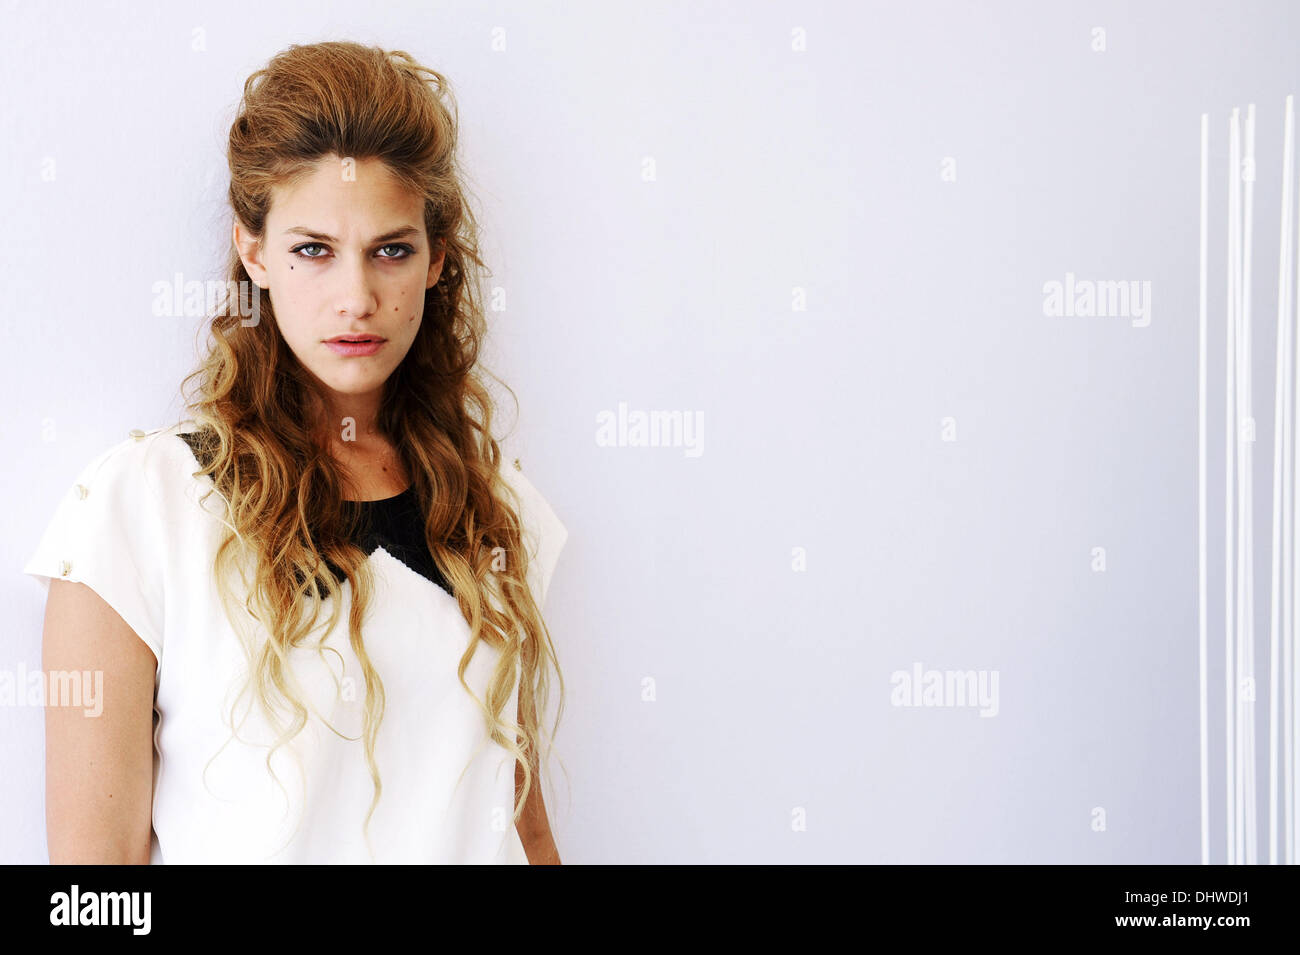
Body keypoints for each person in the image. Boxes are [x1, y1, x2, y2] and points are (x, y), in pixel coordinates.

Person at [22, 40, 569, 864]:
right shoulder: (139, 510)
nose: (357, 296)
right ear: (255, 251)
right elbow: (95, 883)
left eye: (392, 248)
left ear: (436, 260)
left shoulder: (496, 509)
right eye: (314, 248)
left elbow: (522, 830)